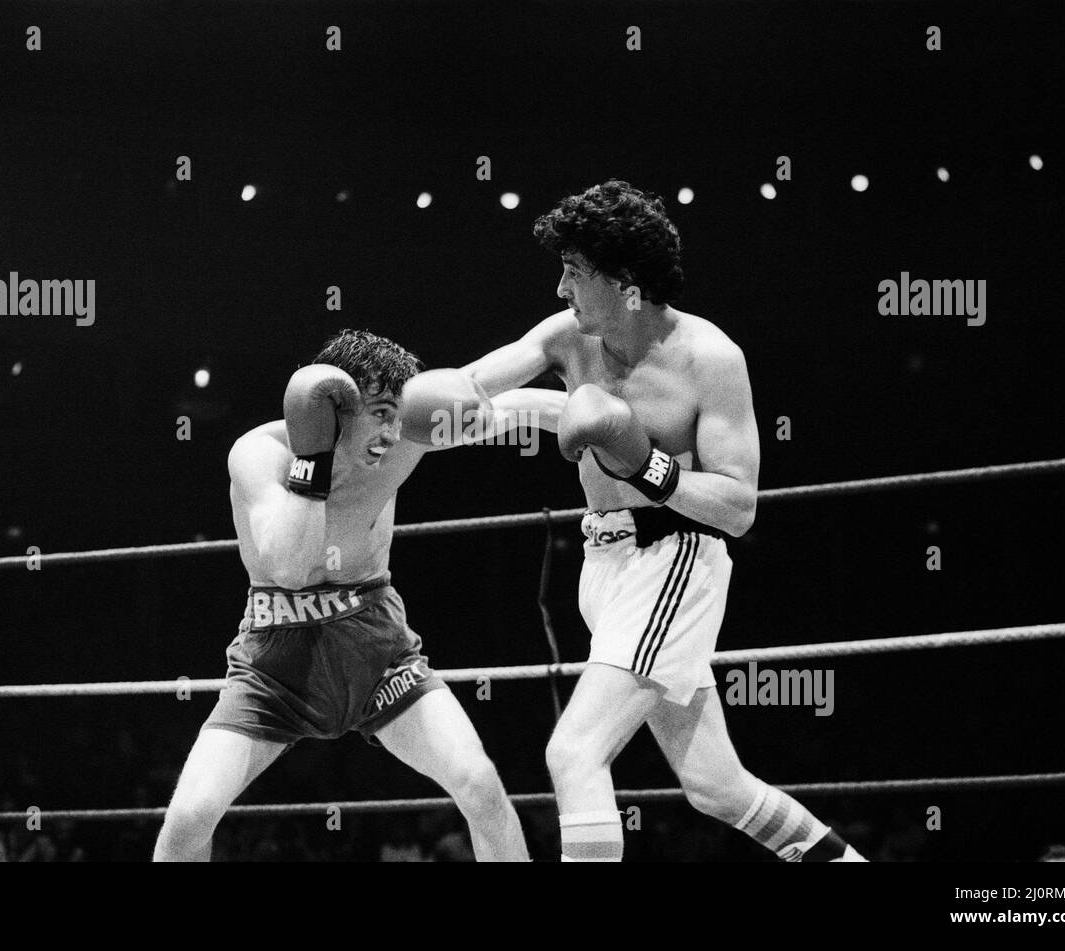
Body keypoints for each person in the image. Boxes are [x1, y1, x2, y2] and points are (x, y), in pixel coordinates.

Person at [462, 180, 866, 862]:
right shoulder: (569, 337)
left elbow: (739, 508)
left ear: (627, 288)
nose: (560, 288)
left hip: (673, 562)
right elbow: (474, 383)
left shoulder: (710, 359)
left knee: (576, 750)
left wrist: (651, 468)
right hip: (604, 568)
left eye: (574, 272)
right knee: (717, 785)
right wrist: (393, 406)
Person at [155, 329, 560, 862]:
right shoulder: (259, 453)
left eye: (400, 416)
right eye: (381, 413)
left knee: (479, 783)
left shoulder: (408, 437)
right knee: (189, 817)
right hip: (276, 663)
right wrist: (313, 457)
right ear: (337, 405)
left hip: (379, 651)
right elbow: (291, 569)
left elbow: (504, 400)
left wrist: (611, 418)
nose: (393, 433)